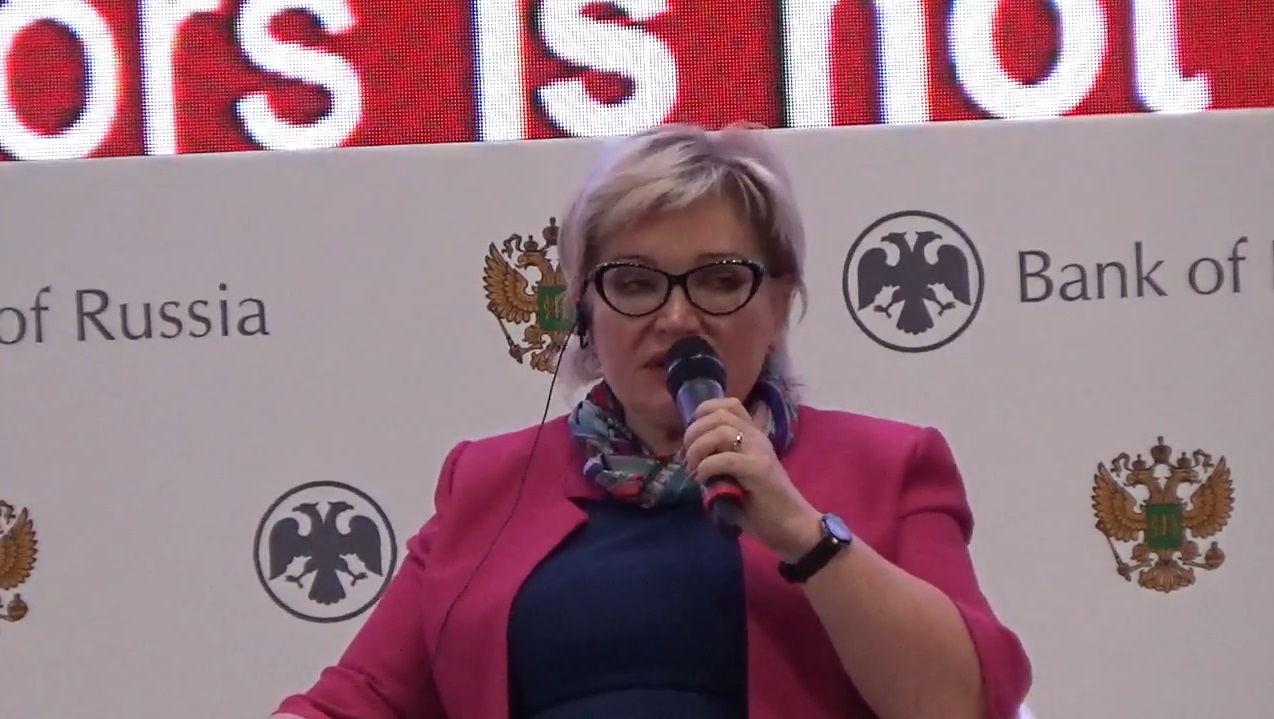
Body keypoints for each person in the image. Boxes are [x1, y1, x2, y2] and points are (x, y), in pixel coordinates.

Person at [272, 122, 1032, 719]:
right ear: (584, 310)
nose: (676, 317)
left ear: (777, 305)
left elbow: (967, 704)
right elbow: (356, 703)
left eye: (719, 280)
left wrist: (803, 533)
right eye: (635, 283)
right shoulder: (486, 482)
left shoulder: (889, 467)